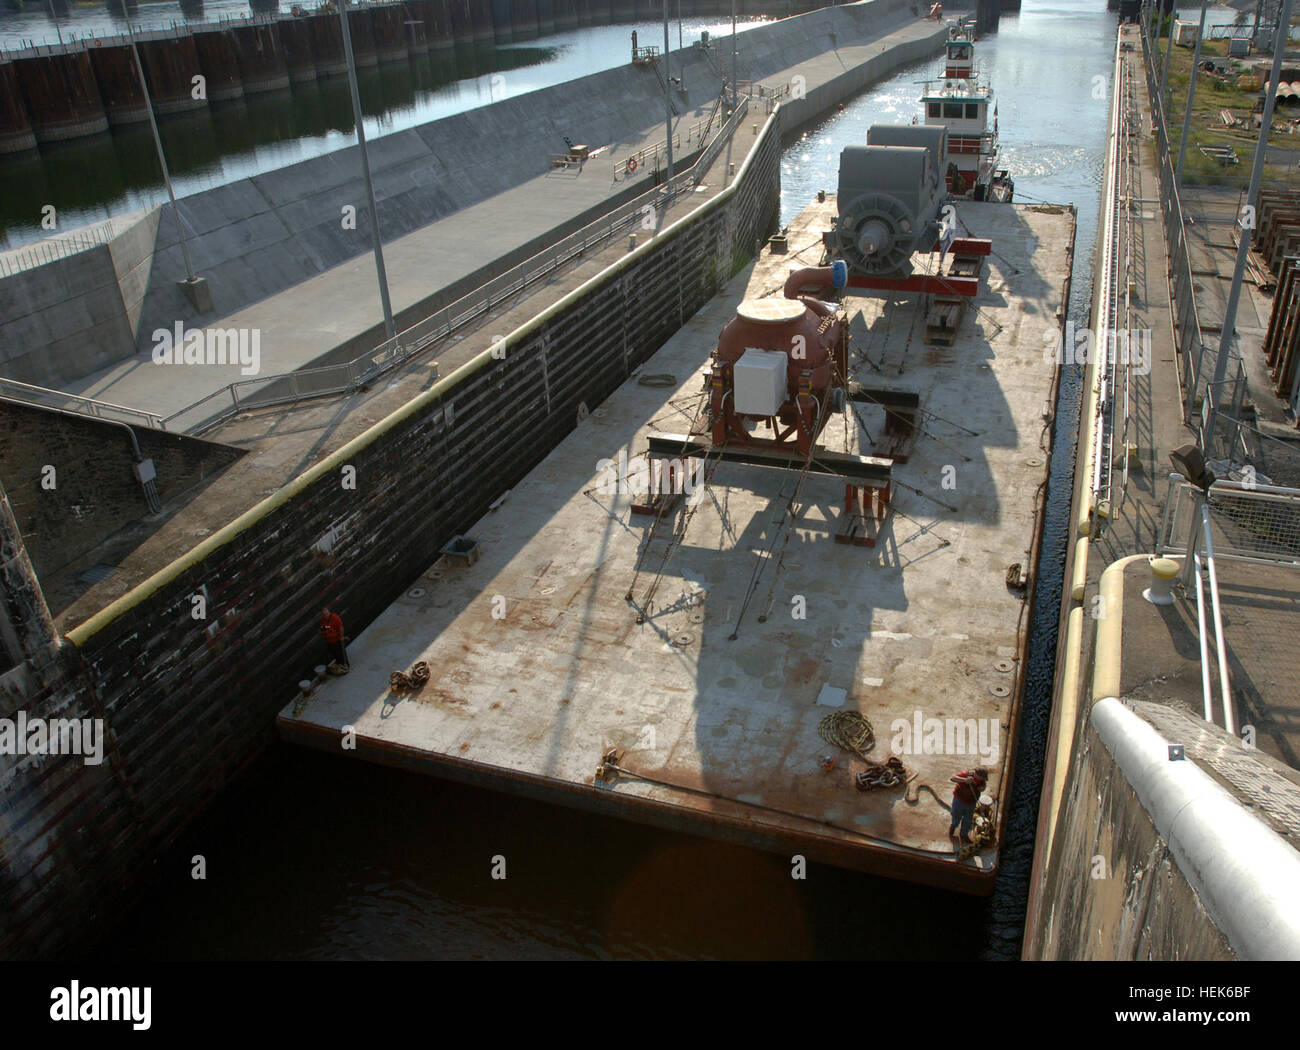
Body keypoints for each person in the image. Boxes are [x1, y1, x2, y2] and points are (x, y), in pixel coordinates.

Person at [949, 767, 988, 844]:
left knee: (968, 819)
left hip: (971, 803)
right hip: (959, 801)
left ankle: (963, 835)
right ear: (976, 774)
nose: (982, 779)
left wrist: (981, 788)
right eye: (981, 777)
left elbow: (983, 787)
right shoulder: (967, 774)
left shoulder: (982, 781)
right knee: (956, 815)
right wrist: (964, 780)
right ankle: (953, 826)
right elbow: (952, 778)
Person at [320, 607, 349, 673]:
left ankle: (346, 666)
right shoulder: (323, 620)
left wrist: (341, 636)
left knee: (341, 653)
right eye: (324, 614)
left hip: (337, 640)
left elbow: (340, 627)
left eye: (326, 613)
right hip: (329, 641)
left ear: (329, 612)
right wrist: (323, 630)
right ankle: (339, 664)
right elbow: (325, 627)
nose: (325, 615)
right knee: (334, 653)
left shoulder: (335, 618)